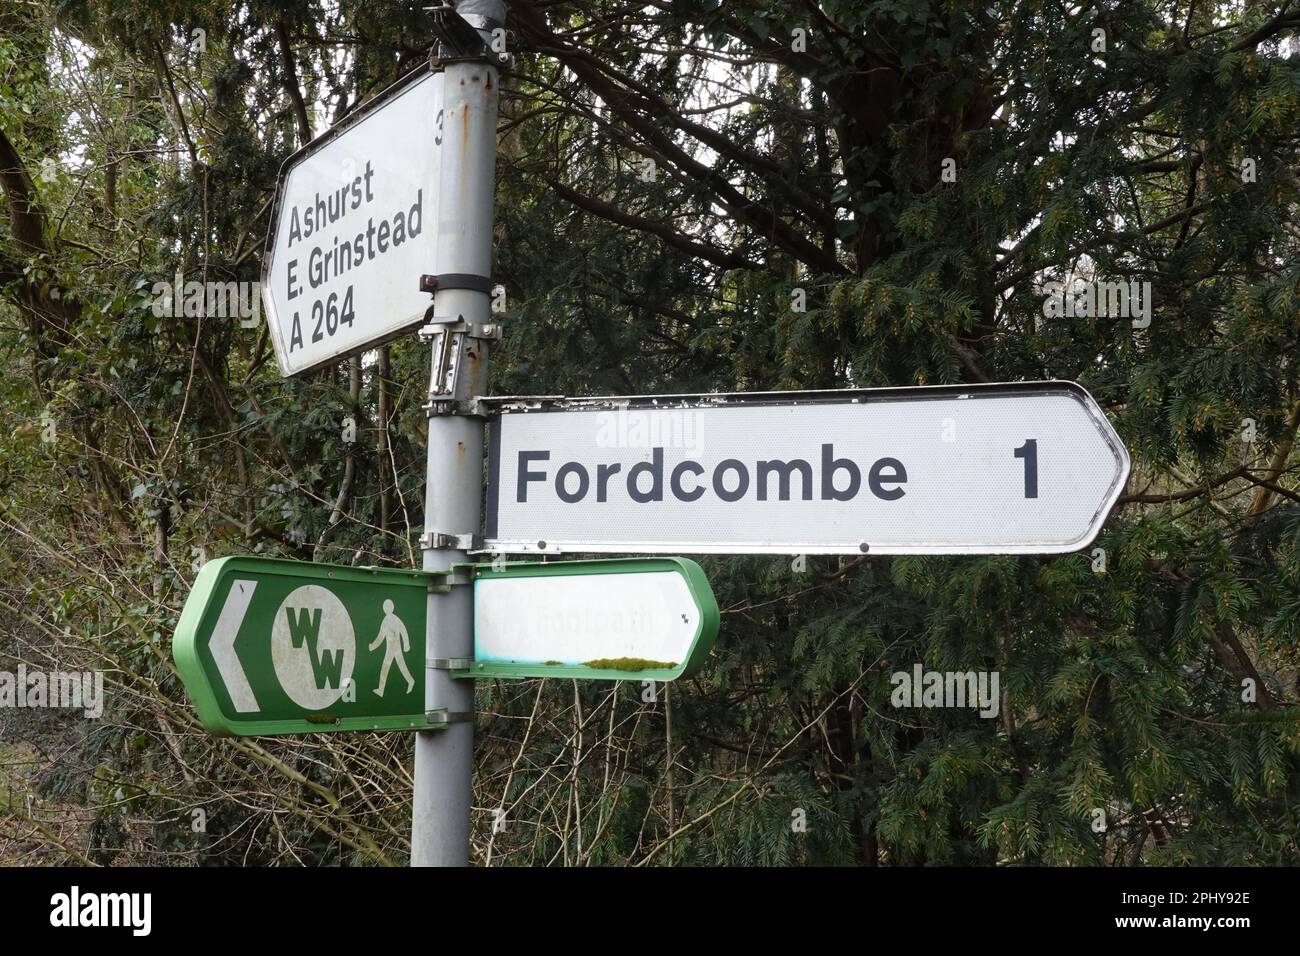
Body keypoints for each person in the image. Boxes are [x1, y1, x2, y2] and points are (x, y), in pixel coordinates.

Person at [369, 598, 415, 696]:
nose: (386, 608)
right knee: (394, 668)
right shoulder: (387, 620)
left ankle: (410, 682)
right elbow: (381, 636)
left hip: (395, 649)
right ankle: (382, 689)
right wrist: (373, 646)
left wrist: (406, 644)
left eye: (387, 607)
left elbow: (403, 631)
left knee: (393, 667)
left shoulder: (391, 619)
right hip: (392, 649)